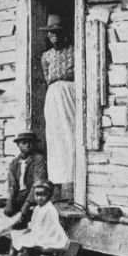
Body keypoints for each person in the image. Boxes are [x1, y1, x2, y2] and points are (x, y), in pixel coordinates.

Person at [40, 14, 75, 199]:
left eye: (58, 32)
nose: (55, 36)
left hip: (70, 94)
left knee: (70, 137)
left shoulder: (75, 50)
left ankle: (71, 186)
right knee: (55, 139)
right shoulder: (46, 57)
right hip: (53, 96)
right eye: (51, 33)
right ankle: (57, 185)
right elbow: (48, 79)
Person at [0, 131, 48, 216]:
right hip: (17, 197)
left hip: (31, 197)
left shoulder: (38, 160)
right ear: (18, 145)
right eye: (24, 143)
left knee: (22, 218)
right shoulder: (14, 163)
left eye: (30, 142)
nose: (28, 145)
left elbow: (37, 184)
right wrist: (9, 201)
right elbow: (12, 185)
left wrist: (27, 204)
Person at [9, 181, 68, 256]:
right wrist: (27, 230)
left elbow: (48, 228)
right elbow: (34, 224)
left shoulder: (49, 210)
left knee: (28, 239)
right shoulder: (38, 208)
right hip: (40, 231)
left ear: (49, 196)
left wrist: (31, 233)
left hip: (50, 235)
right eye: (37, 195)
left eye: (43, 195)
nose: (39, 198)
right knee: (16, 234)